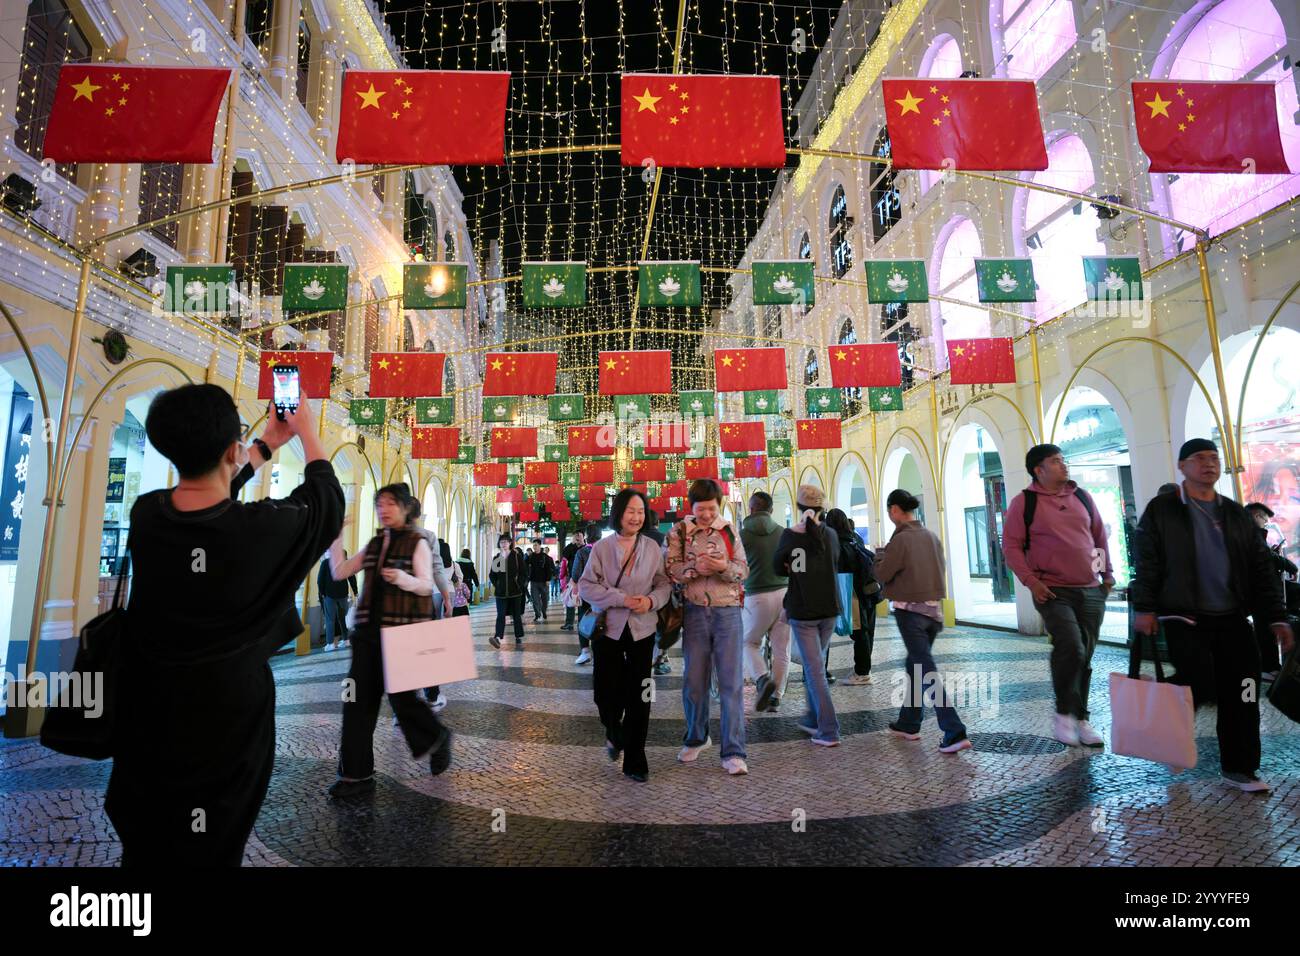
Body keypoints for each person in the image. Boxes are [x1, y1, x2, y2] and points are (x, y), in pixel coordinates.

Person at [104, 385, 344, 866]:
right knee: (212, 845)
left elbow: (211, 497)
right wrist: (307, 435)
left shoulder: (148, 514)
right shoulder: (259, 529)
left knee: (148, 842)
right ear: (230, 448)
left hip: (149, 714)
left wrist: (263, 447)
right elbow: (326, 504)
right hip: (225, 724)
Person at [1132, 439, 1295, 792]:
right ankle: (1169, 737)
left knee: (1246, 689)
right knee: (1199, 683)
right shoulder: (1163, 510)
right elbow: (1147, 560)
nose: (1209, 464)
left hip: (1233, 618)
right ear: (1182, 466)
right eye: (1200, 458)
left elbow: (1260, 569)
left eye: (1214, 458)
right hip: (1183, 617)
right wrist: (1145, 607)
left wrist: (1276, 618)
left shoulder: (1235, 514)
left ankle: (1241, 768)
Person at [326, 484, 453, 798]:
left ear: (406, 508)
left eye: (390, 504)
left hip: (401, 634)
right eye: (379, 504)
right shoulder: (374, 543)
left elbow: (426, 586)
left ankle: (437, 738)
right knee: (356, 704)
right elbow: (340, 571)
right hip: (367, 635)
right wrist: (335, 536)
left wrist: (403, 579)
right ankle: (355, 776)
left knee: (403, 700)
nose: (384, 509)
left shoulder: (417, 543)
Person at [1001, 444, 1114, 748]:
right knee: (1071, 647)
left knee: (1085, 657)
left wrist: (1106, 575)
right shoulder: (1024, 503)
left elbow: (1098, 536)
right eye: (1056, 461)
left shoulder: (1082, 497)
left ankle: (1081, 717)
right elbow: (1011, 547)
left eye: (1063, 460)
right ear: (1039, 470)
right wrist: (1031, 582)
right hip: (1052, 590)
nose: (1064, 465)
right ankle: (1064, 713)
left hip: (1090, 589)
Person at [577, 489, 672, 782]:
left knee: (640, 694)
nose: (636, 517)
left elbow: (663, 584)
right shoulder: (602, 549)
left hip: (643, 630)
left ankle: (636, 757)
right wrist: (620, 598)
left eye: (641, 511)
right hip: (609, 630)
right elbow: (585, 587)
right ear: (618, 513)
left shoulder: (652, 548)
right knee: (604, 693)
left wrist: (650, 601)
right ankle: (613, 729)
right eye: (631, 511)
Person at [875, 489, 972, 754]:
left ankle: (954, 730)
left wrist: (878, 556)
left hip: (911, 613)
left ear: (895, 510)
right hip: (934, 613)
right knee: (915, 665)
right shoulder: (930, 536)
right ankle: (909, 722)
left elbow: (883, 573)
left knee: (926, 671)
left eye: (889, 511)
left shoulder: (901, 540)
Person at [665, 478, 750, 775]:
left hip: (728, 613)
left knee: (731, 684)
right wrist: (692, 570)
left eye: (711, 509)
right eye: (701, 510)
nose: (706, 515)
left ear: (719, 505)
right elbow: (670, 568)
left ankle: (734, 751)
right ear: (692, 507)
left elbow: (743, 570)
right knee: (695, 682)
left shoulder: (728, 530)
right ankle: (697, 737)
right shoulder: (679, 532)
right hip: (695, 612)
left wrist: (722, 568)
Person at [773, 485, 842, 747]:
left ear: (799, 507)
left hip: (804, 610)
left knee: (815, 673)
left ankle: (828, 730)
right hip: (829, 610)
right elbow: (833, 562)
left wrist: (792, 563)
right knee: (816, 668)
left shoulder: (791, 535)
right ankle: (814, 718)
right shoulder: (832, 535)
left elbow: (777, 566)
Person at [740, 491, 791, 712]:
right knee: (782, 649)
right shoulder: (784, 532)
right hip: (784, 594)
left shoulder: (740, 535)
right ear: (771, 510)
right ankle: (776, 696)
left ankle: (762, 679)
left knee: (749, 643)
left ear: (750, 510)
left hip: (756, 597)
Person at [1244, 501, 1298, 678]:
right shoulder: (1250, 535)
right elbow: (1268, 557)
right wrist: (1290, 565)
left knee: (1266, 628)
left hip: (1257, 590)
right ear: (1256, 516)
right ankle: (1269, 667)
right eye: (1264, 520)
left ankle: (1269, 666)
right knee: (1265, 629)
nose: (1265, 523)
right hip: (1257, 591)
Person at [825, 509, 877, 685]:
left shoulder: (834, 543)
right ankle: (863, 669)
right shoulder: (856, 538)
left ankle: (862, 673)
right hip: (869, 591)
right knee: (866, 631)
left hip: (851, 593)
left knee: (859, 632)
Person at [570, 523, 603, 664]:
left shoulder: (582, 552)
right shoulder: (608, 551)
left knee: (584, 620)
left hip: (587, 593)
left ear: (587, 536)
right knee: (602, 621)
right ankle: (600, 653)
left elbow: (576, 574)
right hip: (604, 593)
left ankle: (585, 651)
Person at [488, 532, 528, 648]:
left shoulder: (516, 556)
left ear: (510, 543)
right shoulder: (497, 558)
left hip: (515, 592)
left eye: (505, 542)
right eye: (501, 542)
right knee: (500, 615)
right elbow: (492, 575)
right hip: (501, 593)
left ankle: (518, 636)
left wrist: (519, 584)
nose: (503, 544)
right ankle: (497, 637)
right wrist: (498, 584)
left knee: (516, 615)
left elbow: (524, 573)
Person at [318, 548, 357, 651]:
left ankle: (330, 644)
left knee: (330, 619)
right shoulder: (346, 564)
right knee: (342, 618)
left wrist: (322, 593)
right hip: (343, 595)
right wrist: (355, 591)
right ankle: (346, 641)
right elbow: (352, 578)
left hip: (329, 596)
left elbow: (320, 580)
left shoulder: (326, 563)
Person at [560, 531, 585, 631]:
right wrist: (572, 543)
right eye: (576, 536)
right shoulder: (571, 548)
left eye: (580, 536)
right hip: (572, 579)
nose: (578, 538)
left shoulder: (587, 548)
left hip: (584, 580)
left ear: (584, 537)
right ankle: (569, 623)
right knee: (570, 601)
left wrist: (582, 544)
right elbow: (565, 554)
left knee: (582, 603)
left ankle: (581, 623)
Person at [526, 538, 556, 622]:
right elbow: (524, 565)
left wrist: (548, 580)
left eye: (535, 545)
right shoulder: (530, 556)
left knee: (545, 599)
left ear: (539, 545)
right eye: (533, 545)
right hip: (534, 582)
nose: (534, 547)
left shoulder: (545, 557)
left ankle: (543, 610)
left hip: (544, 582)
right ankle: (537, 614)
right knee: (535, 599)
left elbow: (548, 569)